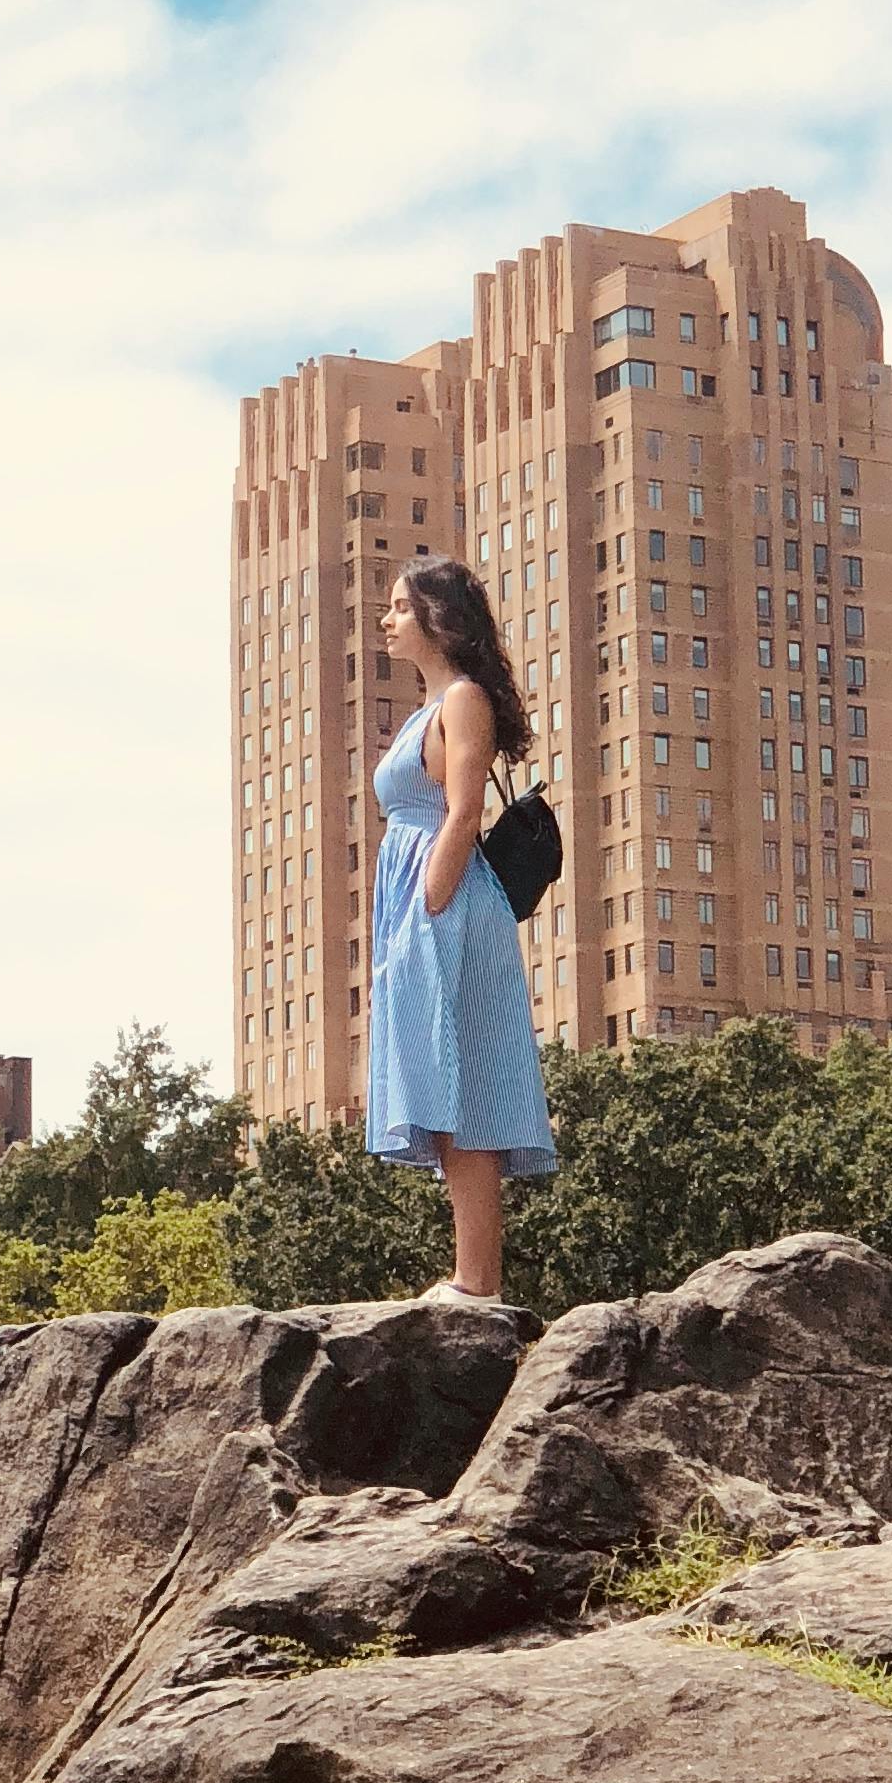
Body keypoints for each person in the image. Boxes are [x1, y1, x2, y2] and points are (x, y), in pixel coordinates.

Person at [367, 551, 555, 1301]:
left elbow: (465, 809)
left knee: (465, 1083)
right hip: (422, 906)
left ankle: (477, 1281)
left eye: (401, 607)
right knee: (440, 1083)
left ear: (438, 619)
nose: (388, 620)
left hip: (448, 909)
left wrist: (429, 910)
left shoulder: (464, 700)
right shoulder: (427, 708)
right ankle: (468, 1274)